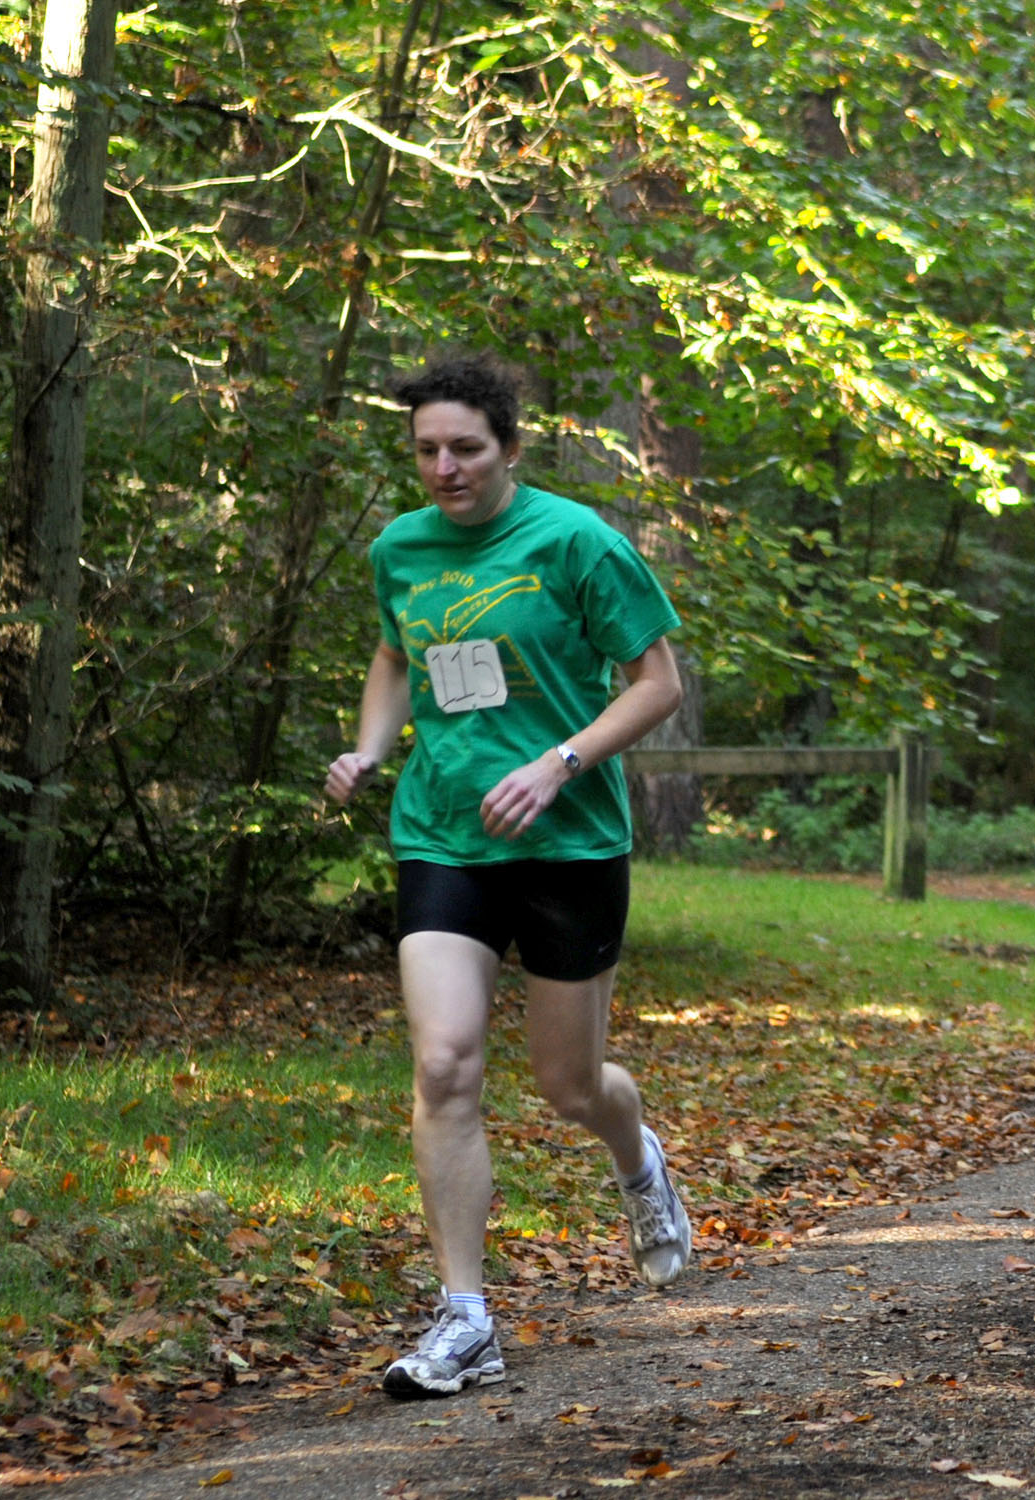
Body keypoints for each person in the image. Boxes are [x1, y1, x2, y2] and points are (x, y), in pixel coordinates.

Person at [324, 352, 694, 1398]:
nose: (445, 469)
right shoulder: (401, 548)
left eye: (466, 449)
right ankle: (466, 1319)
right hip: (444, 833)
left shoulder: (577, 542)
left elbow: (658, 682)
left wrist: (557, 762)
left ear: (510, 449)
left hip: (570, 841)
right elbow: (396, 655)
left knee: (570, 1086)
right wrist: (370, 748)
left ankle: (638, 1159)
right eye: (426, 451)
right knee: (444, 1064)